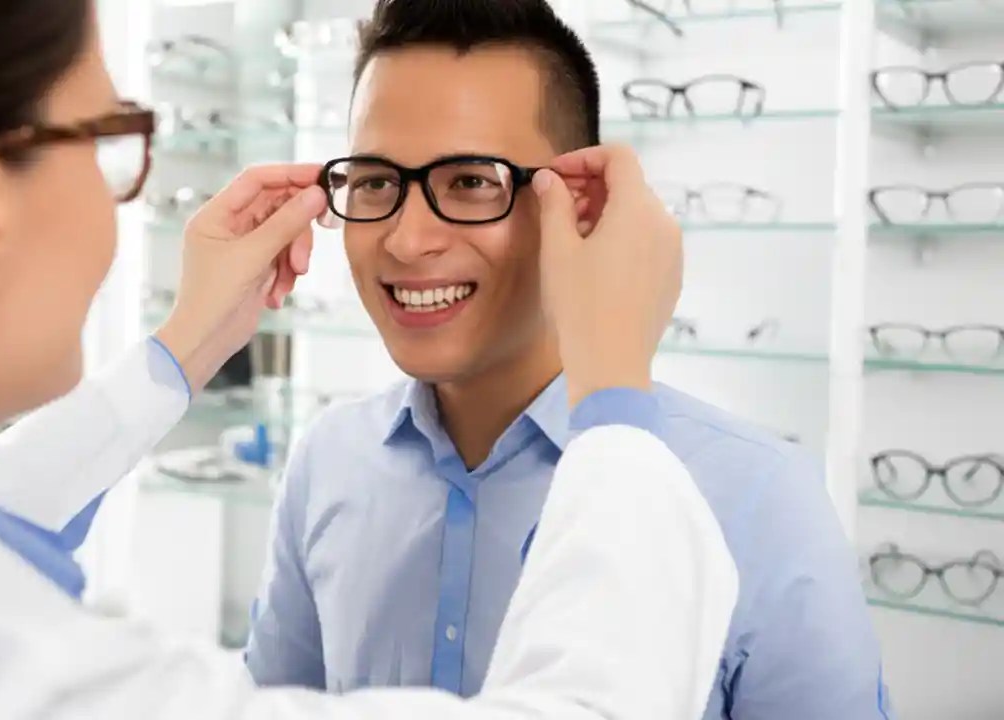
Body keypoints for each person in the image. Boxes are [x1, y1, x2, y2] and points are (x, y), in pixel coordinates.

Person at [0, 0, 738, 717]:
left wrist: (180, 350)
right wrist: (610, 380)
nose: (413, 234)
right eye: (113, 136)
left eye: (469, 182)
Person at [244, 2, 892, 718]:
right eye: (374, 181)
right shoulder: (327, 463)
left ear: (579, 204)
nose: (406, 239)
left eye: (470, 181)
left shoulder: (758, 497)